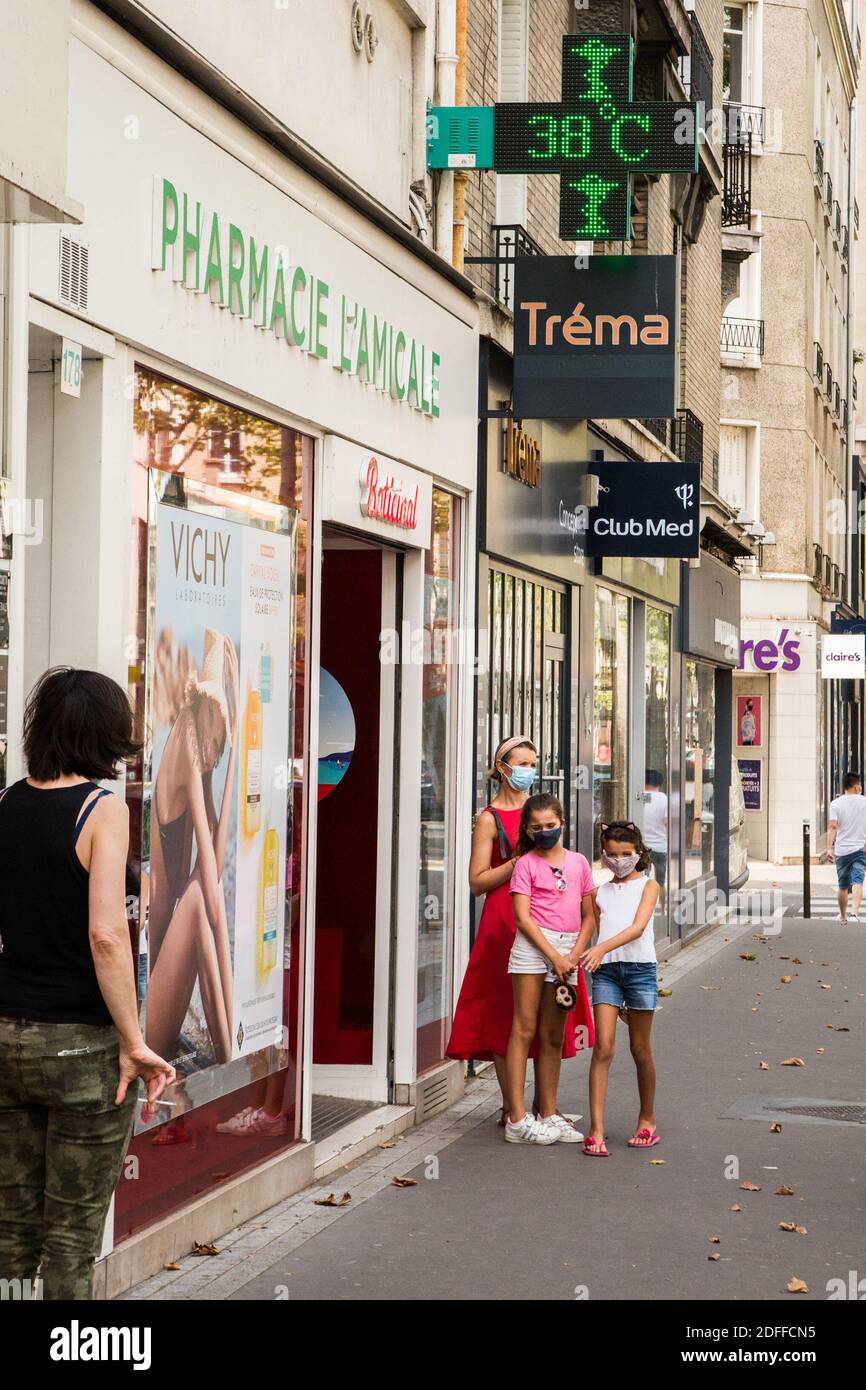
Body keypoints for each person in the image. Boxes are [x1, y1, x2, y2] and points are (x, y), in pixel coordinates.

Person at [0, 667, 175, 1300]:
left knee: (10, 1228)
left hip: (8, 1034)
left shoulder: (7, 802)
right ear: (105, 733)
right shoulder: (100, 809)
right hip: (80, 1044)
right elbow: (106, 934)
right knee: (71, 1235)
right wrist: (134, 1040)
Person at [446, 738, 591, 1125]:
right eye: (521, 762)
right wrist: (518, 863)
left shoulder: (538, 813)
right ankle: (512, 1108)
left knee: (548, 1015)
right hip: (505, 922)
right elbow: (477, 881)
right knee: (505, 1015)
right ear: (501, 766)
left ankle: (547, 1108)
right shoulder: (489, 818)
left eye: (533, 762)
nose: (528, 768)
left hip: (549, 923)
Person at [147, 628, 239, 1068]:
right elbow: (213, 887)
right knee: (204, 898)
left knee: (205, 894)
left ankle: (231, 1058)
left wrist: (232, 764)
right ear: (207, 713)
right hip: (158, 1003)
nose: (221, 745)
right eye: (222, 729)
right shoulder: (185, 750)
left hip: (170, 968)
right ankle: (229, 1059)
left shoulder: (195, 754)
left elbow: (213, 863)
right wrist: (234, 761)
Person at [504, 793, 596, 1144]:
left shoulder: (579, 863)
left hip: (568, 950)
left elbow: (589, 915)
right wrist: (553, 956)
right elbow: (522, 918)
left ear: (563, 824)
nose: (545, 832)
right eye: (537, 828)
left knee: (554, 1034)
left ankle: (549, 1112)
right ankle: (516, 1118)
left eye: (551, 826)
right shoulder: (525, 864)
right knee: (523, 1028)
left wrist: (572, 954)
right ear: (527, 830)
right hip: (532, 949)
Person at [580, 822, 660, 1157]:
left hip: (641, 970)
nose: (618, 860)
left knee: (640, 1049)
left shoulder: (649, 886)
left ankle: (647, 1118)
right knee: (604, 1048)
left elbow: (638, 928)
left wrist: (600, 948)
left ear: (639, 854)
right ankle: (596, 1129)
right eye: (611, 854)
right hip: (607, 974)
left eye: (626, 854)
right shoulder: (598, 893)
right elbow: (591, 928)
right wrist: (577, 956)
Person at [827, 772, 866, 923]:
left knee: (843, 885)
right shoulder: (864, 802)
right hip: (860, 849)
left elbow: (833, 827)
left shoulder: (836, 804)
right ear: (856, 787)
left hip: (842, 850)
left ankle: (843, 916)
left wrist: (829, 848)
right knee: (858, 880)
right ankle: (854, 915)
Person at [643, 769, 668, 890]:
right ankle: (663, 908)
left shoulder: (640, 797)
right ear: (660, 783)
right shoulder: (663, 798)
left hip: (643, 847)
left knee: (643, 881)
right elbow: (667, 822)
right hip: (660, 846)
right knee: (660, 882)